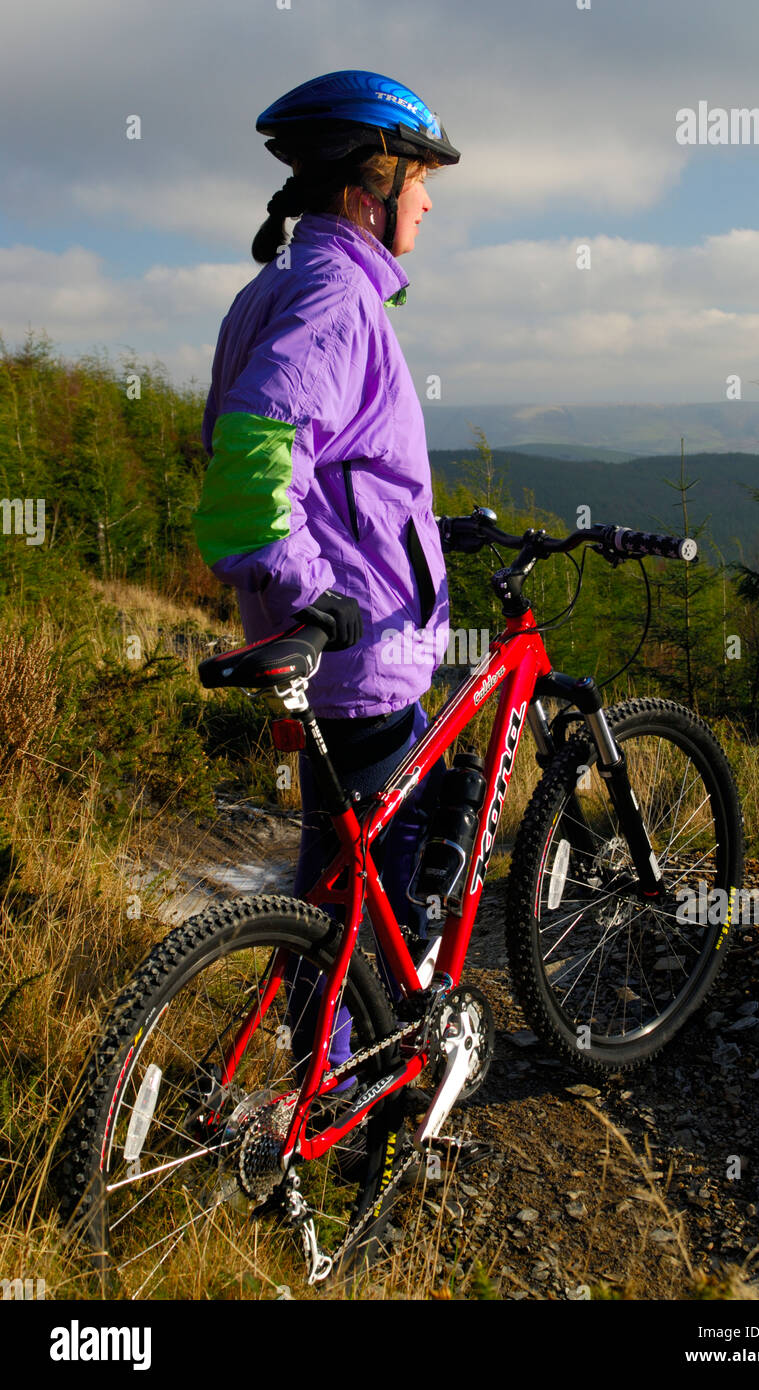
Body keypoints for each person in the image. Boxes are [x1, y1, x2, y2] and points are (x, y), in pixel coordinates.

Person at [192, 72, 467, 1035]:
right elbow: (255, 458)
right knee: (371, 903)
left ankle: (319, 1081)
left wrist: (420, 529)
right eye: (420, 179)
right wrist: (310, 588)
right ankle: (345, 1106)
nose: (428, 202)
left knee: (335, 892)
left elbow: (335, 463)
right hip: (356, 653)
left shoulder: (279, 286)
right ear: (370, 188)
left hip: (333, 653)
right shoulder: (336, 296)